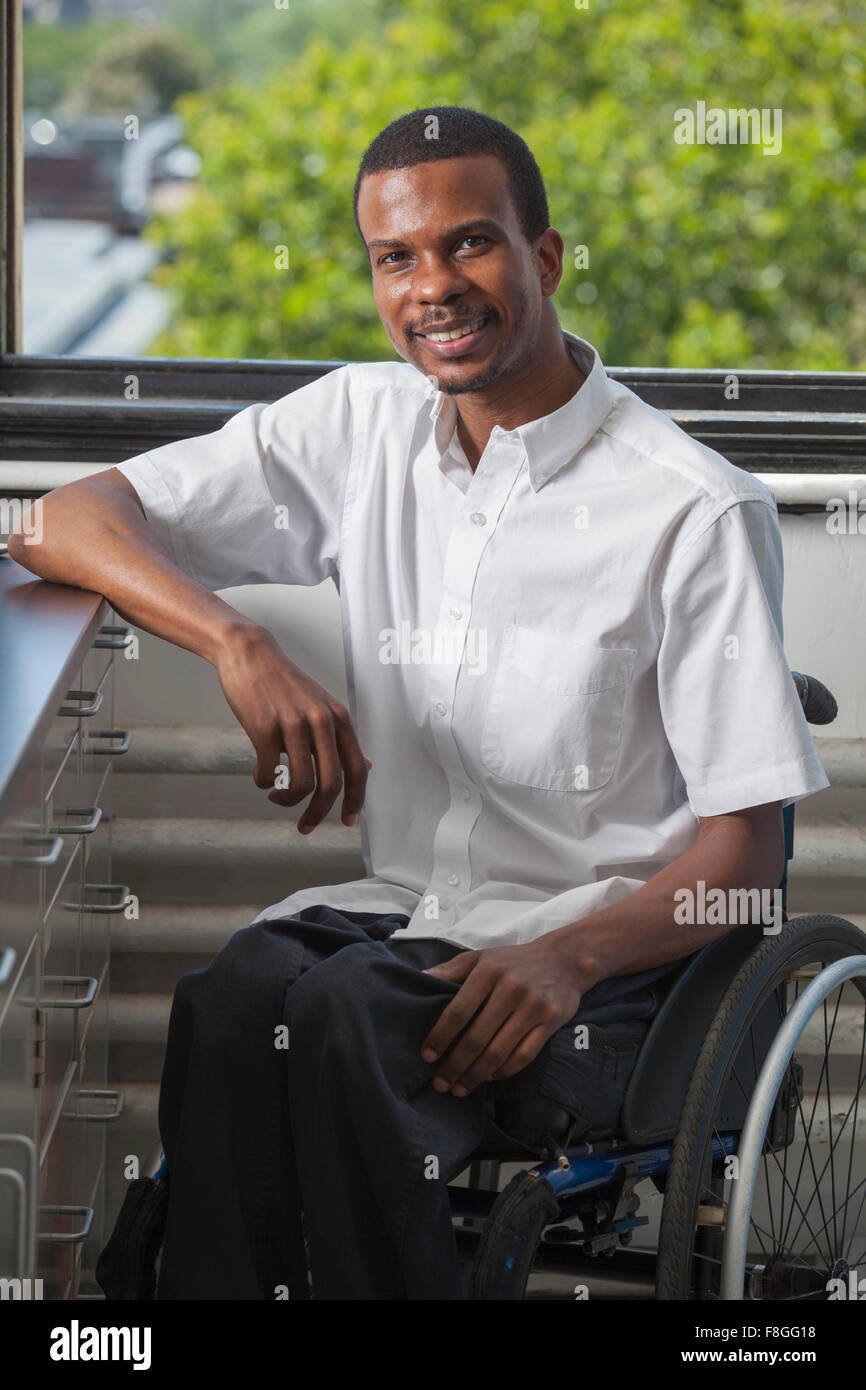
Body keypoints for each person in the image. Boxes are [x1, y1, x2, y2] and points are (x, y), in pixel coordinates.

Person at [9, 106, 829, 1300]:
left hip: (610, 960)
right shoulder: (358, 426)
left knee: (343, 1014)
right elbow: (56, 521)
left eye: (469, 244)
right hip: (408, 912)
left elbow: (747, 861)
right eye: (395, 257)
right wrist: (231, 636)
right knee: (234, 997)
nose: (432, 286)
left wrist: (567, 955)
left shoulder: (690, 510)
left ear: (542, 259)